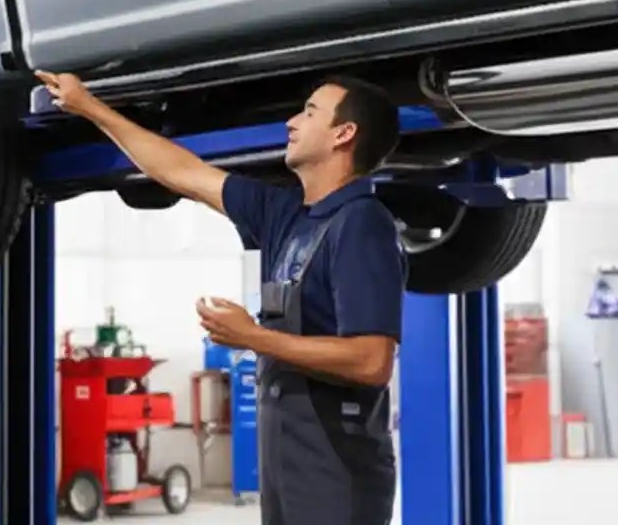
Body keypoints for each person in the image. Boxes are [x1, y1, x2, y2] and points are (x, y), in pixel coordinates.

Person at [35, 70, 405, 524]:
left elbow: (371, 361)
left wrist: (255, 338)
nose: (291, 122)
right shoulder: (283, 214)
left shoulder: (362, 224)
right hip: (287, 460)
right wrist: (89, 106)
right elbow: (180, 172)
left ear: (344, 134)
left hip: (337, 468)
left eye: (309, 113)